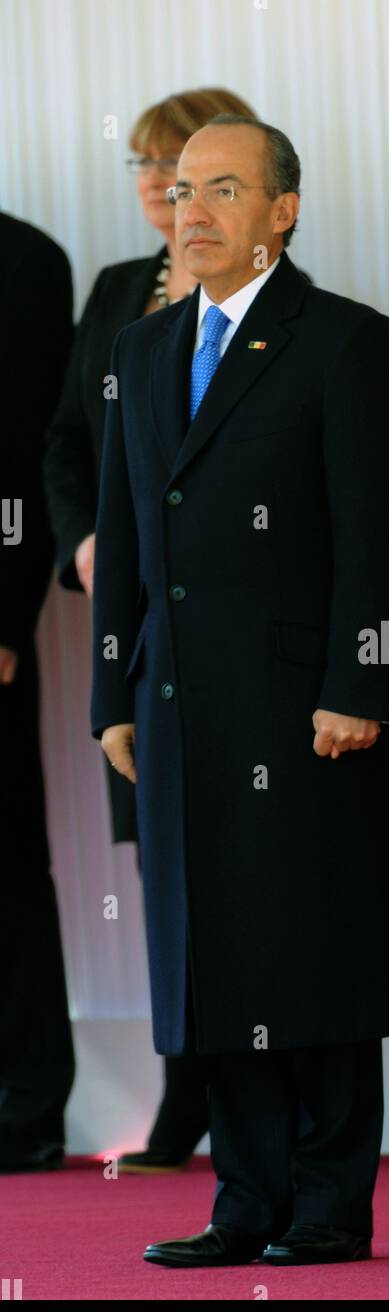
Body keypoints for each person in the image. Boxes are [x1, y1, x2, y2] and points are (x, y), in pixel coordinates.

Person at [91, 114, 389, 1266]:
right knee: (211, 951)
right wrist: (110, 697)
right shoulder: (139, 352)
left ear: (282, 209)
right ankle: (246, 1202)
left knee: (315, 945)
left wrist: (362, 683)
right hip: (179, 708)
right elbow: (129, 536)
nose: (192, 210)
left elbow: (383, 540)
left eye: (223, 189)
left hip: (307, 710)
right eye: (182, 188)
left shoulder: (347, 341)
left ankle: (328, 1205)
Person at [43, 88, 259, 1175]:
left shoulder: (288, 312)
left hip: (241, 634)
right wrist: (86, 543)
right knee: (161, 863)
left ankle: (257, 1100)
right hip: (133, 626)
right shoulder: (121, 294)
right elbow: (67, 441)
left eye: (179, 166)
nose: (157, 186)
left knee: (240, 865)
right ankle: (187, 1091)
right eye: (145, 164)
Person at [0, 210, 74, 1171]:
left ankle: (25, 1099)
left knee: (4, 859)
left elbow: (26, 455)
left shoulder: (20, 260)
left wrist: (4, 613)